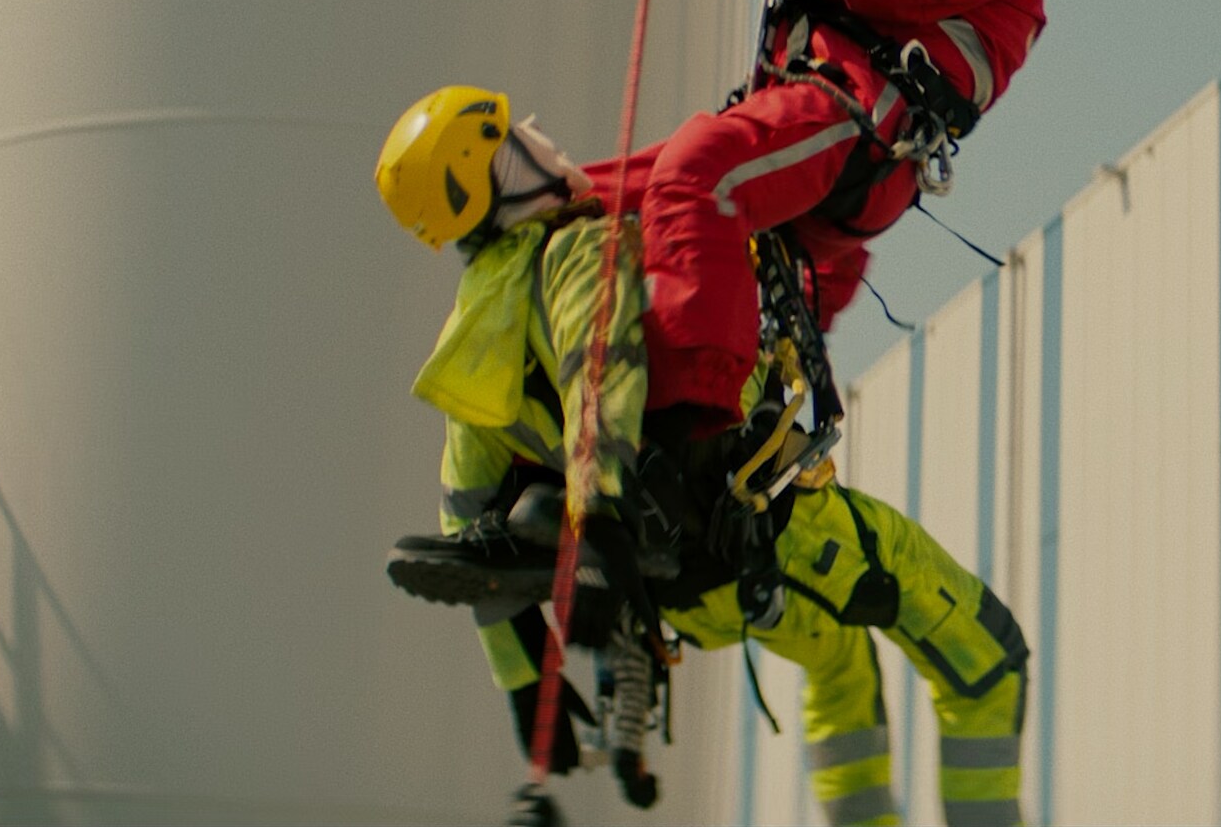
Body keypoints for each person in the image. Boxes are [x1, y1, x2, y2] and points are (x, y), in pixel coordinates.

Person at [374, 87, 1030, 827]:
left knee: (841, 663)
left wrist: (527, 686)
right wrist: (597, 515)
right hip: (764, 538)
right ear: (500, 173)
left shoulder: (475, 324)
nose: (538, 133)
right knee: (990, 660)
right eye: (515, 137)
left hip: (684, 593)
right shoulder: (578, 250)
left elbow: (464, 506)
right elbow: (602, 371)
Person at [584, 0, 1048, 442]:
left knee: (700, 170)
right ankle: (567, 472)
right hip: (824, 130)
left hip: (864, 124)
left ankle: (691, 437)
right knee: (586, 205)